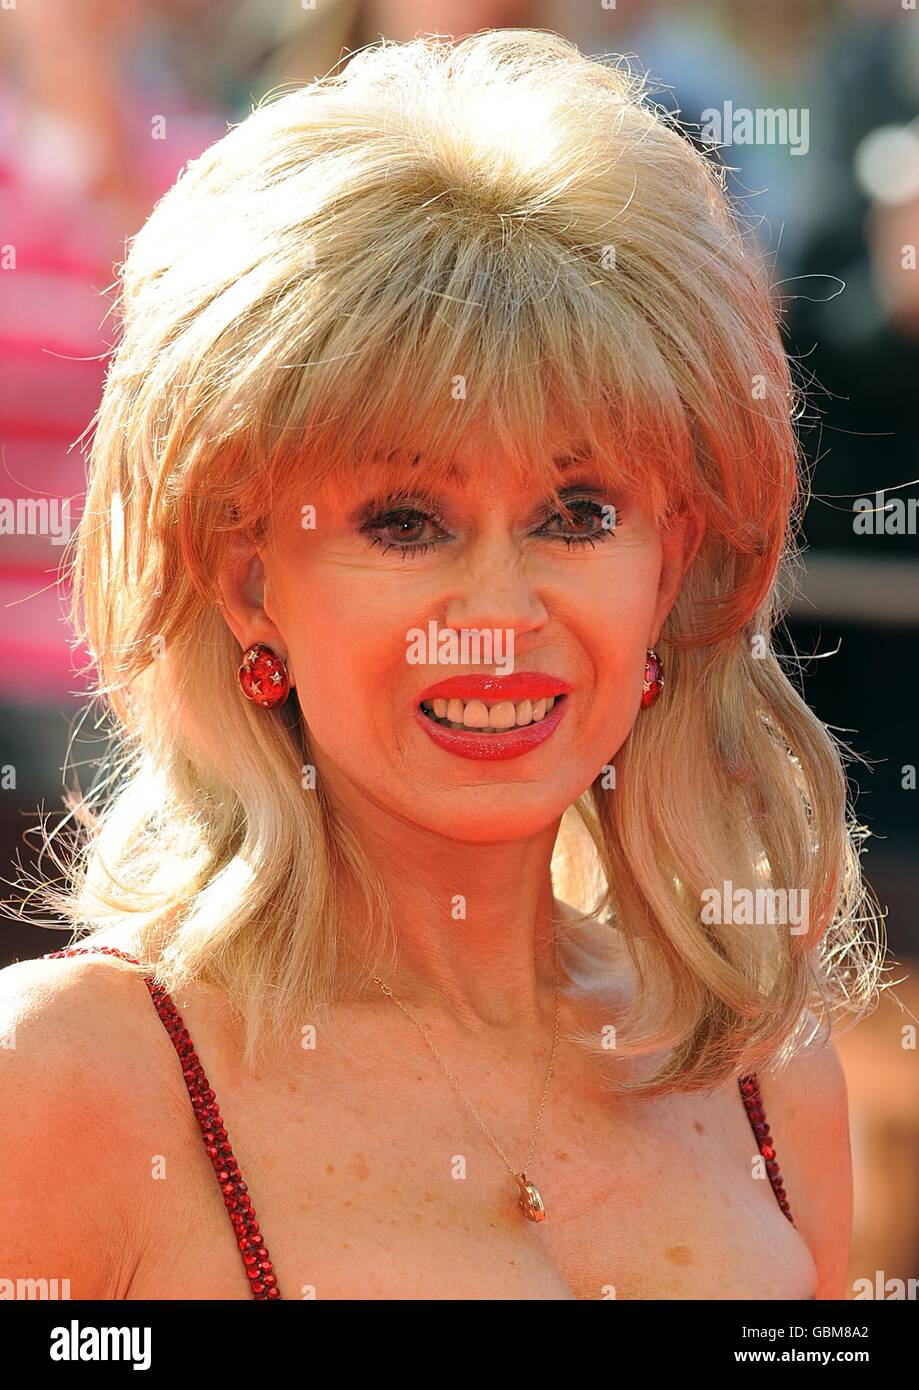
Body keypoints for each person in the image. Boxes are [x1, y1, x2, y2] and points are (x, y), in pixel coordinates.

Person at [0, 29, 883, 1301]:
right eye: (403, 522)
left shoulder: (762, 1076)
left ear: (672, 560)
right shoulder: (68, 1083)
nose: (498, 614)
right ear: (246, 577)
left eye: (577, 513)